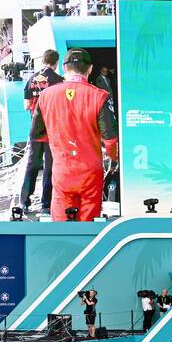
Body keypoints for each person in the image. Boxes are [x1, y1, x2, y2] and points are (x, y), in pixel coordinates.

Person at [30, 48, 119, 221]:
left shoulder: (46, 96)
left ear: (64, 68)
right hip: (91, 173)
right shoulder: (99, 96)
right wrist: (114, 159)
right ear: (90, 69)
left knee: (62, 228)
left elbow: (36, 134)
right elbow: (110, 140)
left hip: (62, 171)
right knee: (88, 228)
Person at [18, 49, 61, 213]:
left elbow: (26, 106)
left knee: (32, 165)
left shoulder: (31, 79)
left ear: (43, 60)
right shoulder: (59, 80)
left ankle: (25, 201)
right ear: (56, 63)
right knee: (50, 167)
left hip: (36, 129)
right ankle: (46, 204)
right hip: (52, 130)